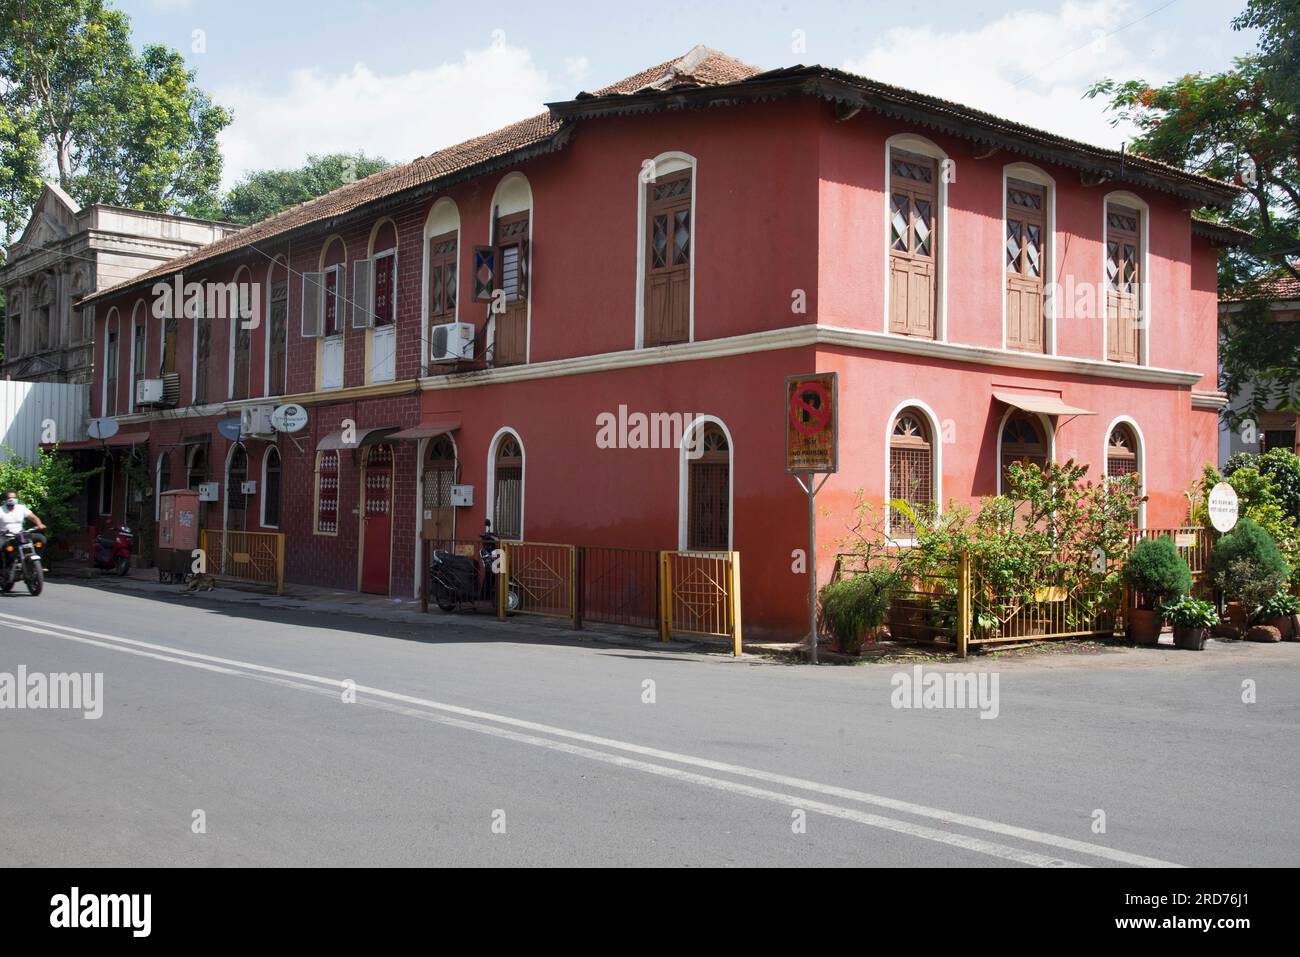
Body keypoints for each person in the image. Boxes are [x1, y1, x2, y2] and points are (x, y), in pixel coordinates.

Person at [1, 490, 47, 559]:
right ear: (5, 499)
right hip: (4, 536)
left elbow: (33, 517)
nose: (11, 499)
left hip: (20, 534)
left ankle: (36, 561)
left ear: (17, 499)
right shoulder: (1, 510)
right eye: (9, 498)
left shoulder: (21, 508)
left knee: (41, 539)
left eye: (14, 497)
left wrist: (39, 524)